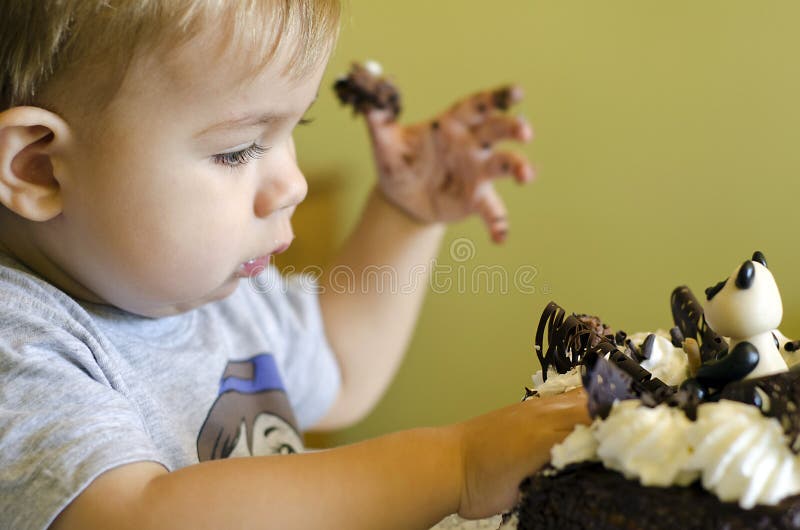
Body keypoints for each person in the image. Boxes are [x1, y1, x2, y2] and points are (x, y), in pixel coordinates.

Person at [0, 1, 589, 529]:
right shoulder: (21, 342)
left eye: (294, 128)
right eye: (237, 150)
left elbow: (340, 369)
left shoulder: (223, 290)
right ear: (39, 168)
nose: (293, 184)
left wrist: (406, 215)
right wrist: (455, 465)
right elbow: (129, 516)